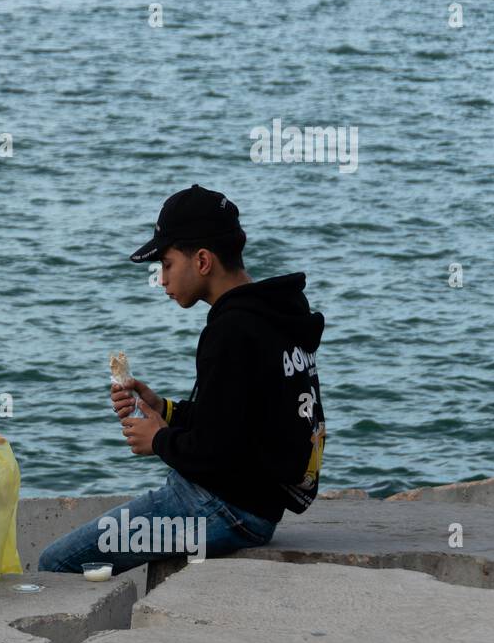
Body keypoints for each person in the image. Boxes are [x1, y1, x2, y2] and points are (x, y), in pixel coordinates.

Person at [39, 185, 326, 575]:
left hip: (224, 507)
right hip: (258, 504)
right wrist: (163, 410)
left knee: (55, 562)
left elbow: (214, 453)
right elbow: (238, 423)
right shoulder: (275, 315)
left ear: (203, 260)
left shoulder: (230, 330)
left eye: (167, 265)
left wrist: (157, 439)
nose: (161, 280)